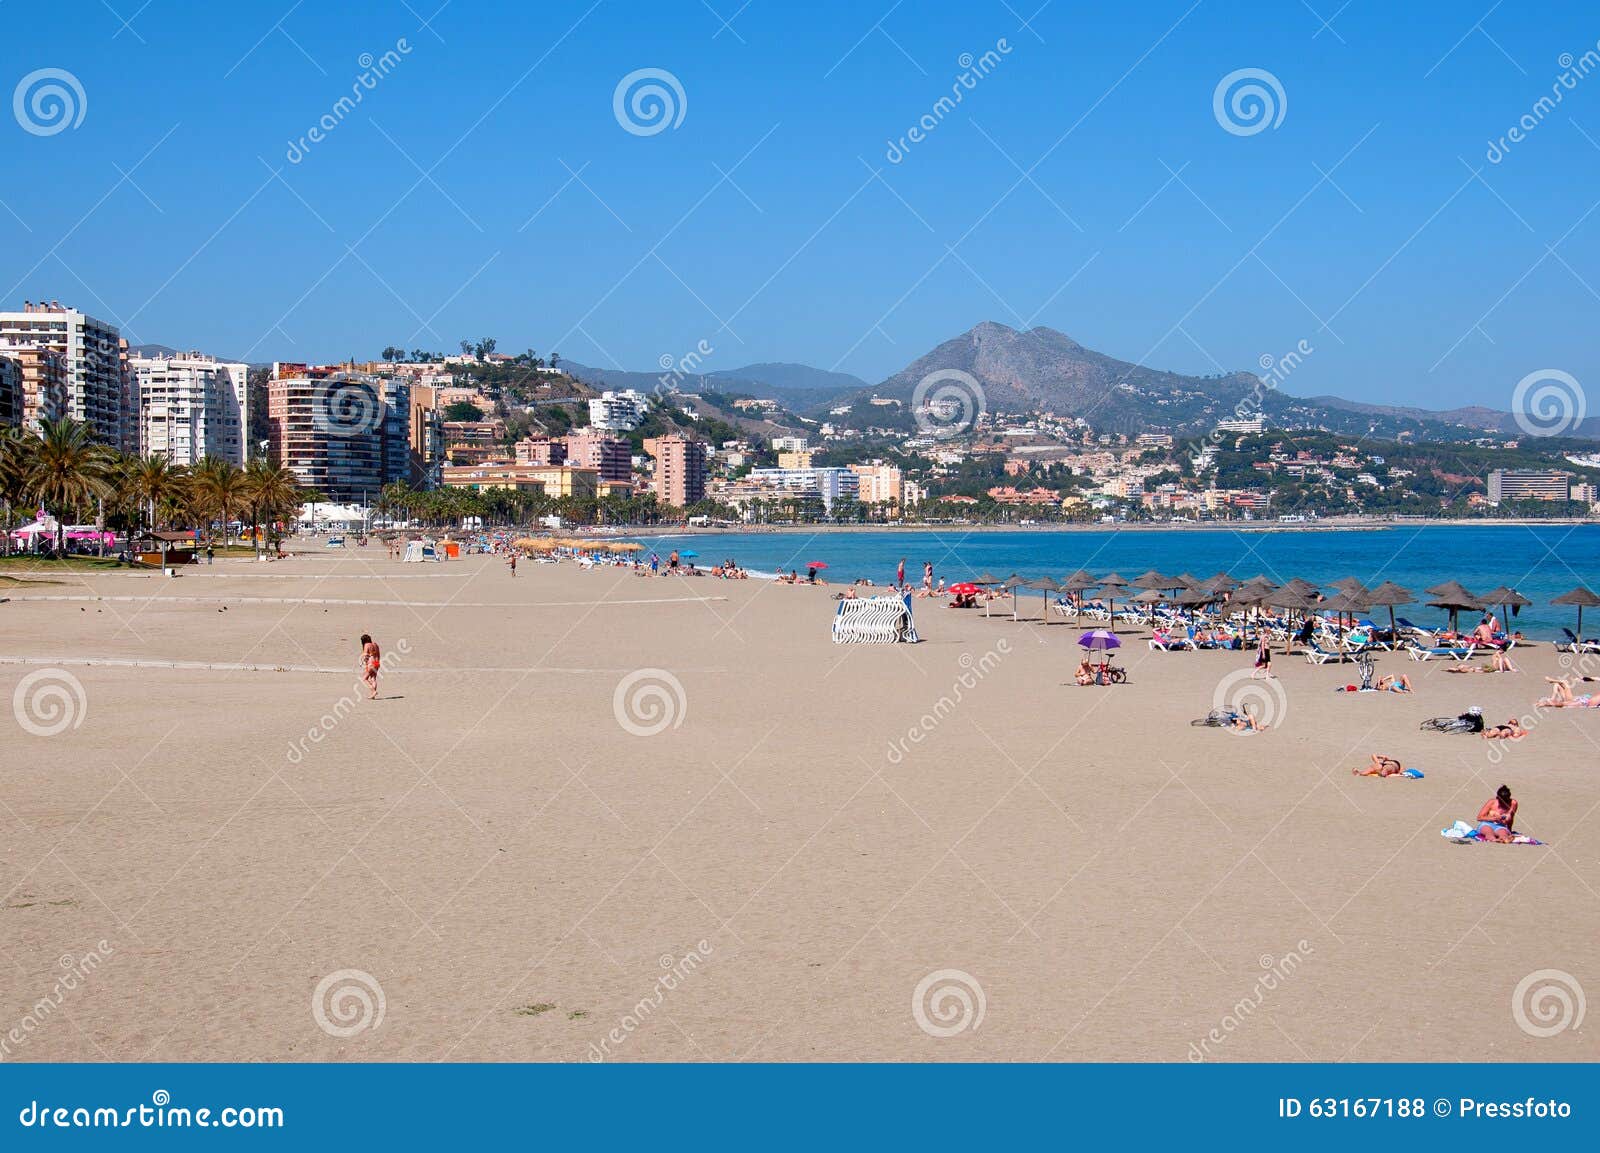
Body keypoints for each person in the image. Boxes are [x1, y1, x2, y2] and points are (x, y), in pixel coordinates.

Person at [360, 634, 381, 700]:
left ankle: (374, 692)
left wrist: (362, 662)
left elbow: (365, 655)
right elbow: (379, 655)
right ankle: (373, 695)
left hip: (371, 663)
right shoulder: (375, 644)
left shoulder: (367, 645)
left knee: (364, 679)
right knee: (373, 678)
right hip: (377, 662)